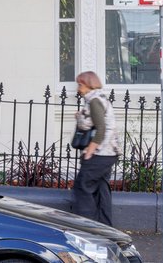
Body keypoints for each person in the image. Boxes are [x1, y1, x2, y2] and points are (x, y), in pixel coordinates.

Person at [70, 70, 119, 225]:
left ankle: (87, 226)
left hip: (100, 153)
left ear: (88, 85)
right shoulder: (100, 99)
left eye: (80, 84)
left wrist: (90, 151)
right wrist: (80, 116)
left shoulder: (94, 101)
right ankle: (105, 227)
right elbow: (91, 124)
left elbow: (101, 128)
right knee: (101, 189)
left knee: (82, 187)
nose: (78, 88)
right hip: (110, 153)